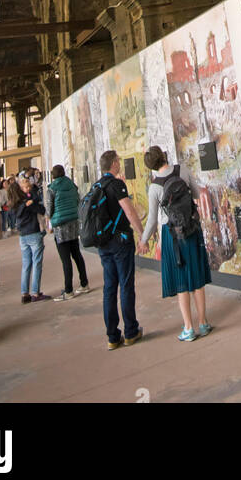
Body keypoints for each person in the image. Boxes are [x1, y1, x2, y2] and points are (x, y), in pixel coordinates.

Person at [139, 145, 211, 343]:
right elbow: (196, 194)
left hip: (171, 235)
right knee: (196, 279)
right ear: (163, 156)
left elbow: (153, 220)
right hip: (192, 229)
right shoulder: (183, 170)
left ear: (150, 167)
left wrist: (143, 240)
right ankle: (203, 323)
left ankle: (188, 328)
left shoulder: (154, 187)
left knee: (182, 284)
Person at [95, 148, 145, 350]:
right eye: (118, 160)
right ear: (114, 164)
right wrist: (142, 233)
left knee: (109, 288)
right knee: (125, 285)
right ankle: (131, 332)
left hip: (103, 243)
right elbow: (130, 211)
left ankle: (112, 337)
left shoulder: (96, 186)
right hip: (120, 242)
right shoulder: (116, 184)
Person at [46, 164, 90, 301]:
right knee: (77, 254)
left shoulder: (51, 189)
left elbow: (49, 209)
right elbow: (78, 201)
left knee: (65, 259)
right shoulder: (72, 185)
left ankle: (69, 290)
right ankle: (84, 283)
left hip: (60, 225)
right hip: (73, 222)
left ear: (52, 175)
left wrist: (49, 222)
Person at [7, 176, 50, 302]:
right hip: (33, 233)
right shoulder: (27, 202)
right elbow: (41, 210)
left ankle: (24, 293)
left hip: (23, 236)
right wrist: (33, 201)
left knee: (26, 265)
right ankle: (35, 293)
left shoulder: (14, 203)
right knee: (36, 263)